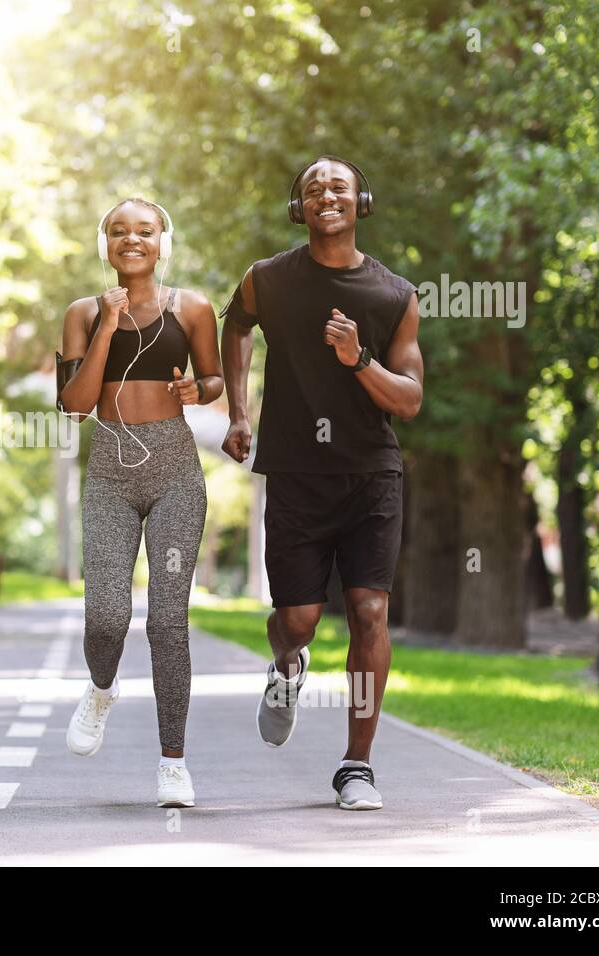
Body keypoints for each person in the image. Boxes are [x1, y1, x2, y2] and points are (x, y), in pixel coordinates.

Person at [219, 156, 424, 811]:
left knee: (369, 613)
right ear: (299, 208)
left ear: (360, 199)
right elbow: (236, 325)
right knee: (300, 619)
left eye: (337, 187)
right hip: (298, 476)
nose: (325, 196)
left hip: (370, 478)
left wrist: (357, 359)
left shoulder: (395, 296)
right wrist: (237, 412)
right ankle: (286, 664)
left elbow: (410, 399)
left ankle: (356, 767)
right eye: (313, 190)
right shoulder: (269, 280)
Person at [56, 197, 223, 808]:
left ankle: (172, 763)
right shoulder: (80, 312)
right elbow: (75, 403)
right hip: (109, 472)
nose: (133, 240)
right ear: (105, 245)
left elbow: (214, 381)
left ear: (163, 242)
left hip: (175, 469)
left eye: (144, 232)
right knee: (104, 617)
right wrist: (106, 321)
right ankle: (101, 690)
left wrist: (195, 388)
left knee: (167, 622)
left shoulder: (195, 308)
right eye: (119, 232)